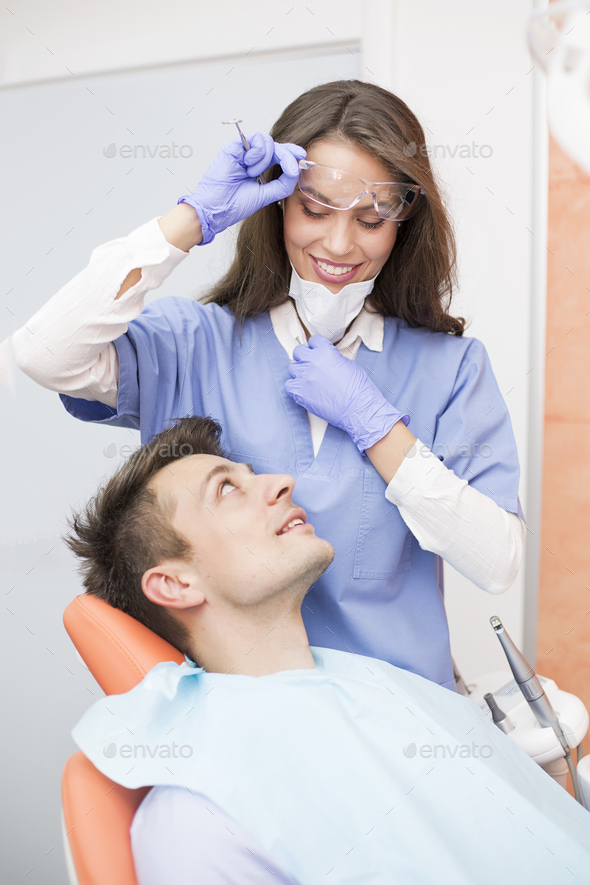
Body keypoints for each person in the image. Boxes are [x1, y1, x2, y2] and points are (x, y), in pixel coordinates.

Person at [12, 78, 525, 691]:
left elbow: (499, 562)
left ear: (405, 222)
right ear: (277, 202)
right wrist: (192, 218)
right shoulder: (193, 345)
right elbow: (45, 353)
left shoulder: (450, 368)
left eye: (369, 219)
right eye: (313, 209)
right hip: (248, 729)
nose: (338, 244)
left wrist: (378, 426)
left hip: (403, 724)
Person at [67, 416, 589, 885]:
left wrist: (552, 778)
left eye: (253, 475)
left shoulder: (383, 687)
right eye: (227, 489)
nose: (281, 482)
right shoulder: (201, 817)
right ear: (175, 585)